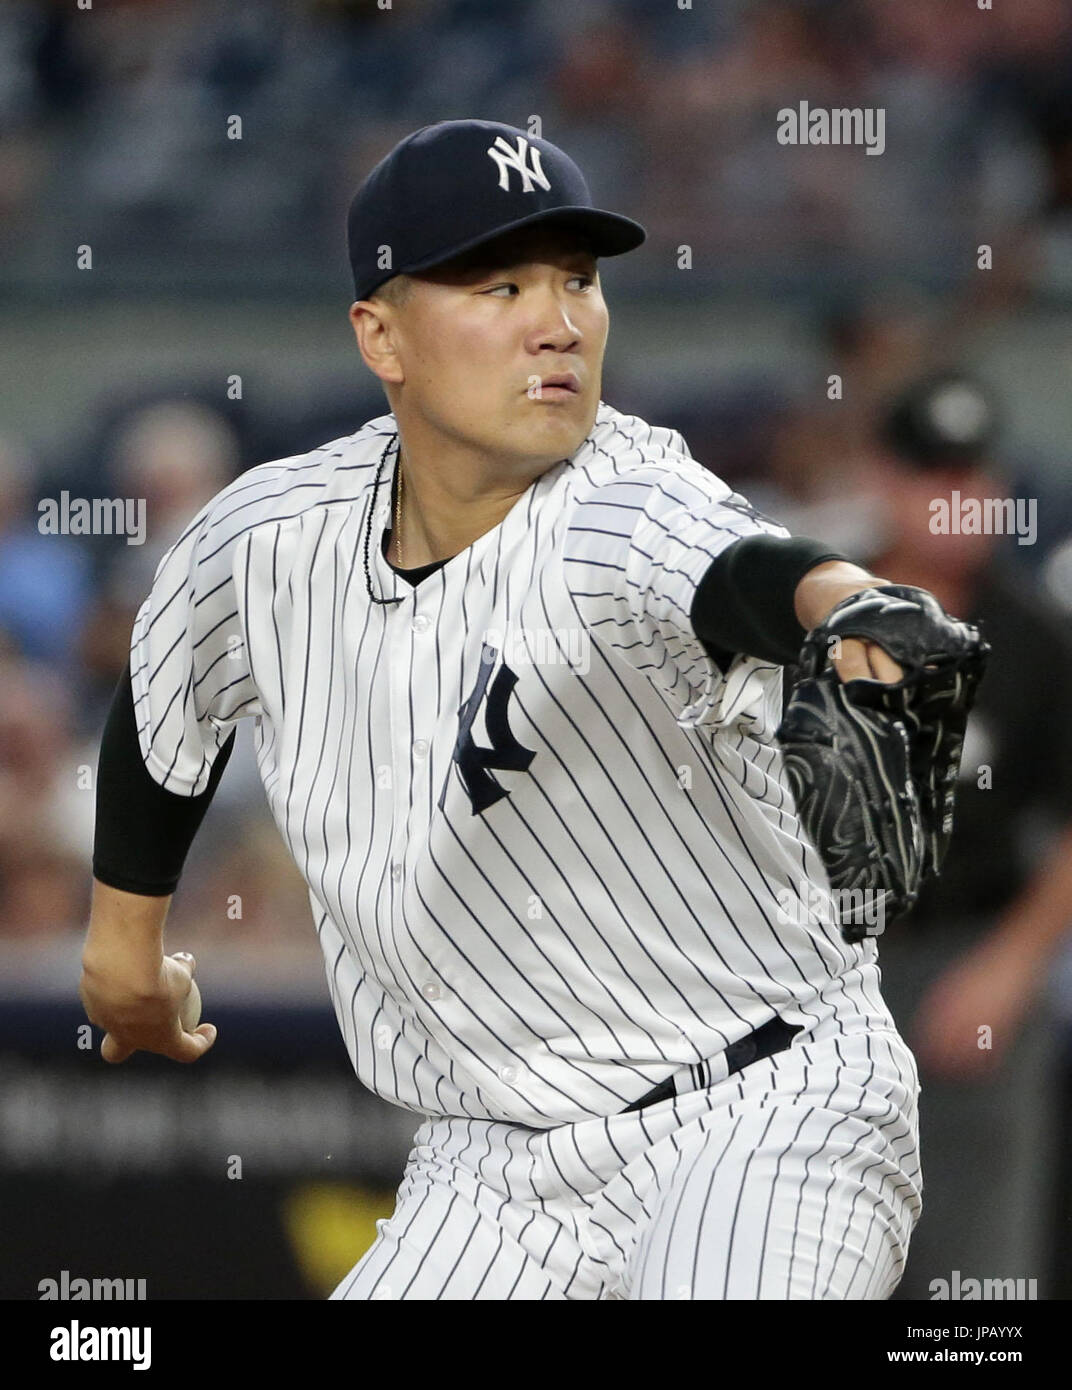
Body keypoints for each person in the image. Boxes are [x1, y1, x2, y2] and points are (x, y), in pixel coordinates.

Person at [82, 119, 935, 1301]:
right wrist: (124, 937)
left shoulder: (628, 502)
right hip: (492, 1168)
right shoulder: (269, 535)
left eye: (579, 281)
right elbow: (165, 686)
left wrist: (848, 605)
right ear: (380, 333)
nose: (561, 321)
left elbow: (746, 569)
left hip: (763, 1111)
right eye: (501, 283)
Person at [856, 371, 1072, 1300]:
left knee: (977, 1292)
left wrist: (1009, 969)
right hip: (828, 987)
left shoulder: (1031, 637)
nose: (958, 504)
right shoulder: (817, 614)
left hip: (965, 966)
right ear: (887, 483)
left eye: (973, 478)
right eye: (934, 478)